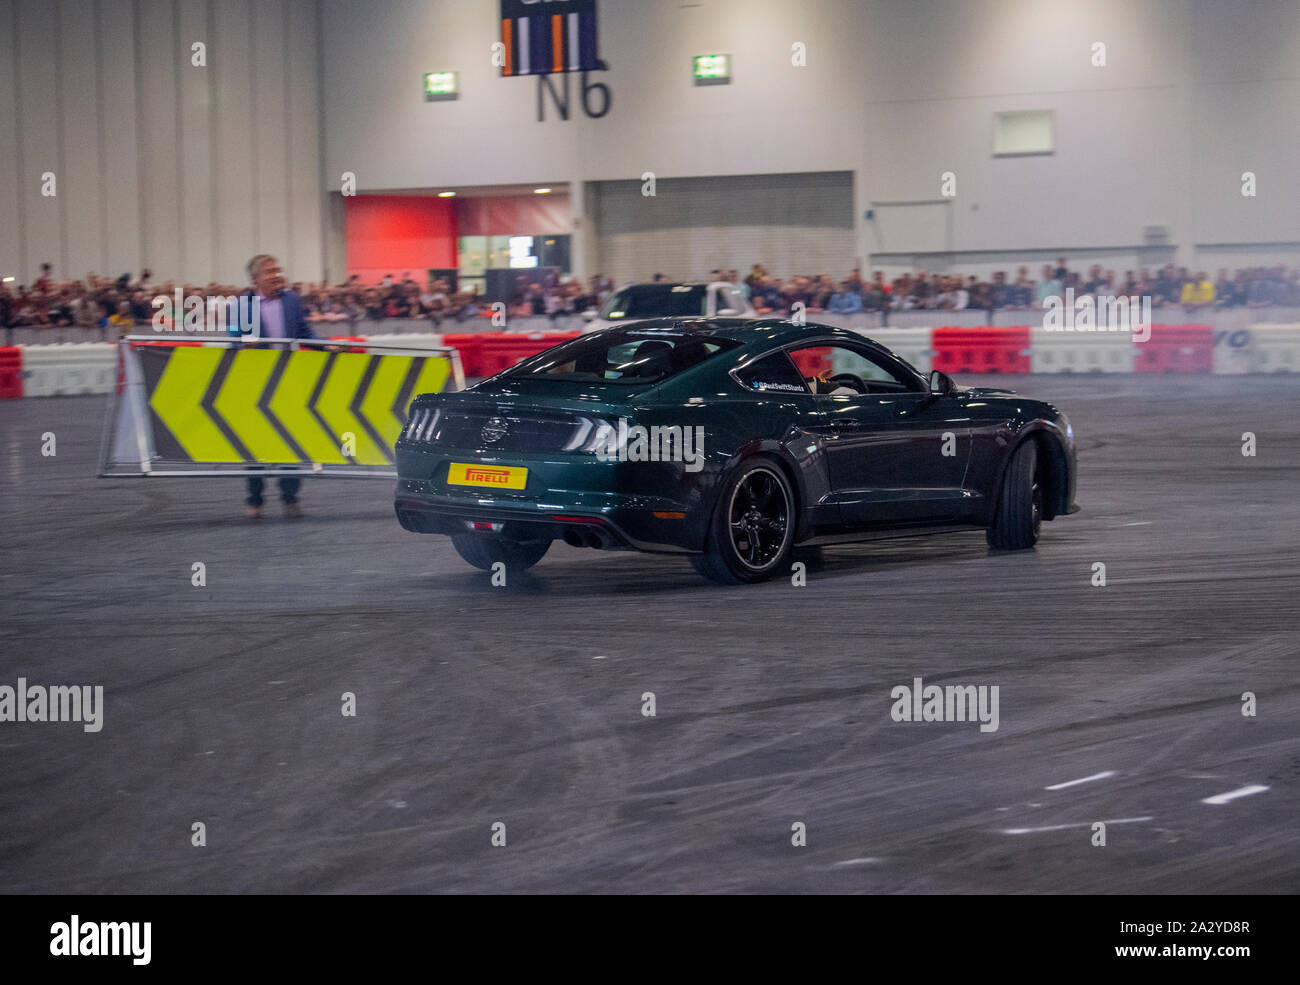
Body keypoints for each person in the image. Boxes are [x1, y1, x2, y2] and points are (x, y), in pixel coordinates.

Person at [241, 254, 315, 519]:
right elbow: (233, 339)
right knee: (255, 443)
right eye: (269, 271)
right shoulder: (242, 304)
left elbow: (305, 333)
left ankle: (289, 497)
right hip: (256, 382)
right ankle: (255, 498)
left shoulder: (292, 300)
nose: (275, 275)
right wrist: (243, 343)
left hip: (288, 380)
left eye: (277, 270)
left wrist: (328, 345)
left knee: (290, 440)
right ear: (255, 279)